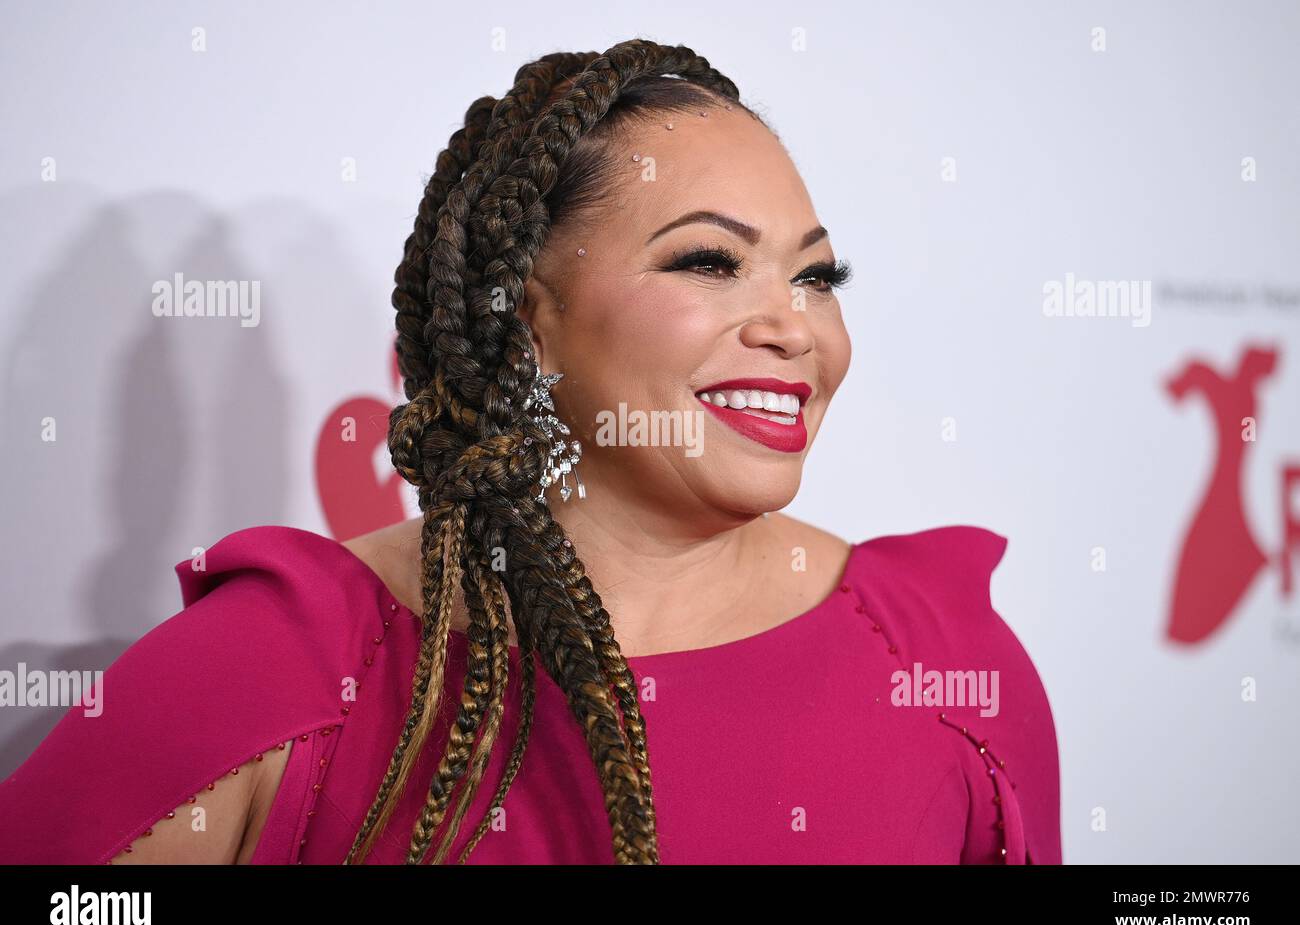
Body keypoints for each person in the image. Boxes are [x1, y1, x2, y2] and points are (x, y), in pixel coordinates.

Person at [0, 38, 1061, 865]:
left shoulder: (945, 670)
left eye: (816, 276)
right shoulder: (283, 664)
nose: (793, 327)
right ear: (528, 320)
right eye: (708, 261)